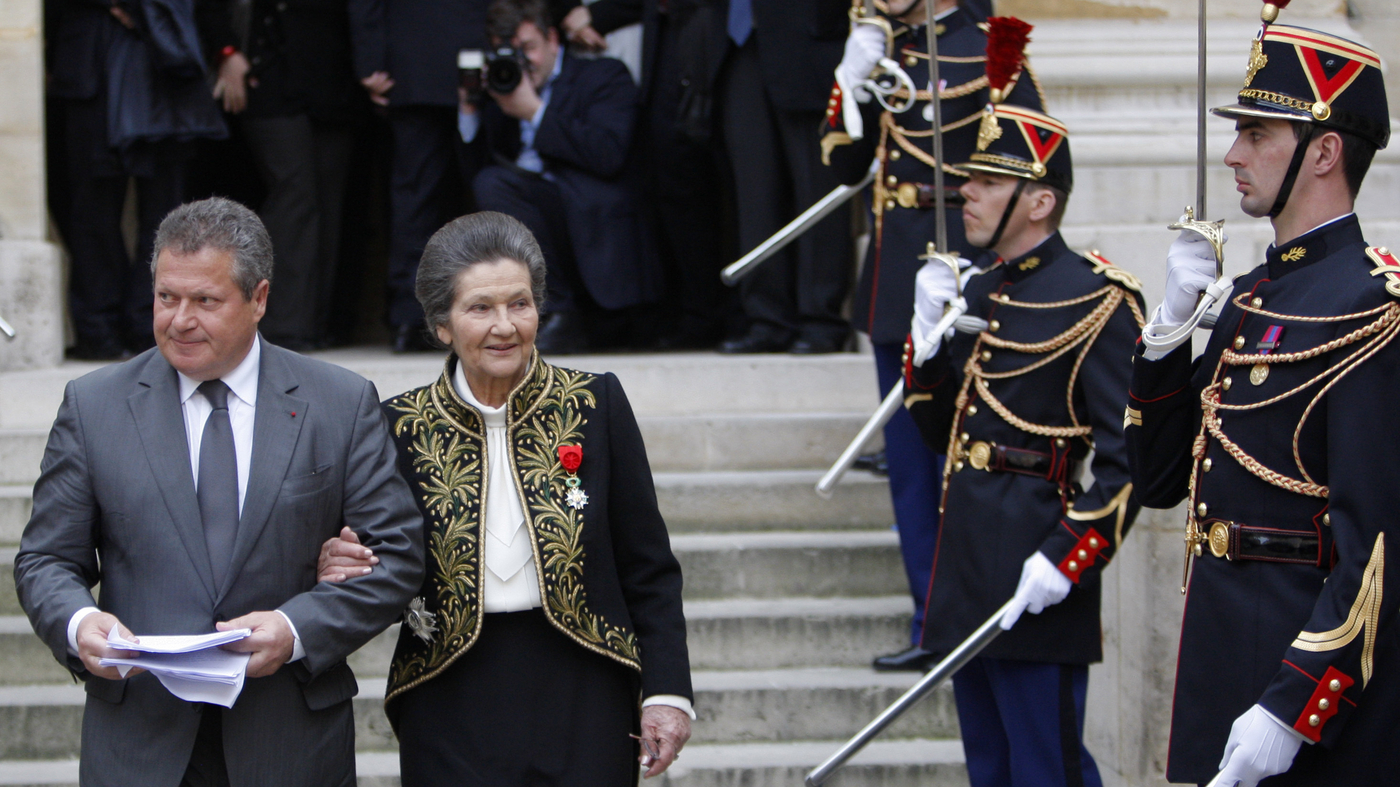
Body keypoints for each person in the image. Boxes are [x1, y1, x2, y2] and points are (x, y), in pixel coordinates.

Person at [12, 197, 426, 786]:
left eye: (205, 301)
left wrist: (296, 628)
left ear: (258, 299)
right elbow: (47, 558)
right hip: (141, 744)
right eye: (165, 297)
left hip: (287, 740)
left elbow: (397, 556)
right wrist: (79, 623)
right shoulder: (94, 405)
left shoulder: (339, 402)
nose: (179, 320)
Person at [316, 211, 694, 784]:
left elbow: (650, 568)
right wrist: (340, 565)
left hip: (587, 683)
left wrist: (667, 692)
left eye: (520, 304)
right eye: (480, 308)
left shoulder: (595, 404)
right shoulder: (398, 426)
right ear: (442, 325)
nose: (505, 326)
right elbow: (379, 563)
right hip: (447, 688)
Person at [1125, 4, 1398, 784]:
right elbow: (1159, 480)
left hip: (1307, 693)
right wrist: (1168, 334)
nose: (1232, 154)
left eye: (1257, 135)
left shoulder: (1372, 308)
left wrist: (1294, 704)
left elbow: (1378, 550)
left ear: (1325, 151)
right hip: (1221, 664)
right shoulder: (1248, 297)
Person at [902, 103, 1144, 786]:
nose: (966, 193)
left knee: (1048, 769)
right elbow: (940, 432)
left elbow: (1130, 463)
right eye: (968, 179)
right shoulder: (977, 289)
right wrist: (925, 340)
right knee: (992, 767)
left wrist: (1067, 559)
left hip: (1038, 566)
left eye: (986, 182)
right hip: (968, 564)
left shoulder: (1098, 299)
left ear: (1039, 200)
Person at [823, 2, 1042, 670]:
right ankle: (933, 621)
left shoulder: (990, 48)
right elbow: (840, 160)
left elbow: (1034, 164)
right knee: (913, 471)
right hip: (900, 283)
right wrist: (853, 86)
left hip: (969, 270)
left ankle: (979, 612)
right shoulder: (883, 47)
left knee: (972, 459)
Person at [461, 0, 659, 354]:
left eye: (529, 49)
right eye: (508, 52)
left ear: (553, 39)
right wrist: (470, 109)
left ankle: (564, 314)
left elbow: (608, 154)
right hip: (534, 225)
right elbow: (475, 178)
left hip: (588, 227)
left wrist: (535, 112)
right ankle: (554, 313)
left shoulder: (604, 75)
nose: (522, 62)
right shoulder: (501, 87)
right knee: (492, 184)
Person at [46, 0, 227, 359]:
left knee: (166, 217)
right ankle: (101, 328)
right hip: (92, 67)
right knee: (93, 212)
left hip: (162, 70)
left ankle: (148, 325)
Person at [560, 0, 732, 349]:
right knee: (661, 186)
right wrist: (568, 14)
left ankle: (708, 313)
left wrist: (597, 16)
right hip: (642, 43)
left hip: (685, 33)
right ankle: (680, 313)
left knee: (687, 182)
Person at [200, 0, 364, 351]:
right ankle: (281, 325)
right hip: (267, 74)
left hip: (333, 76)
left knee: (328, 202)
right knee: (294, 193)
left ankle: (315, 323)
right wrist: (226, 52)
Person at [347, 0, 490, 352]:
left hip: (419, 58)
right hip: (465, 48)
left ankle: (414, 320)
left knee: (422, 195)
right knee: (482, 186)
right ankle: (421, 317)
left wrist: (371, 60)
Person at [717, 0, 852, 354]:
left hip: (808, 39)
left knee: (816, 187)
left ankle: (821, 317)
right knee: (754, 189)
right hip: (739, 44)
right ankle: (766, 317)